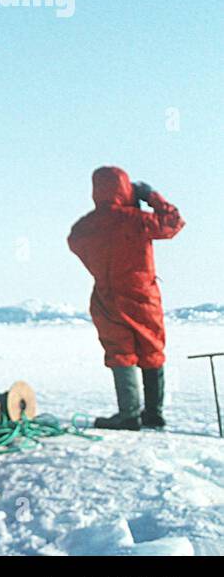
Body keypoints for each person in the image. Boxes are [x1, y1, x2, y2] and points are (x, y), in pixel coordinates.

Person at [67, 166, 184, 430]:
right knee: (152, 350)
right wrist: (152, 197)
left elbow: (74, 240)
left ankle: (129, 415)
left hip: (107, 297)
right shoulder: (138, 220)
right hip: (143, 296)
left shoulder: (86, 226)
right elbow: (173, 223)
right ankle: (153, 414)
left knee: (121, 353)